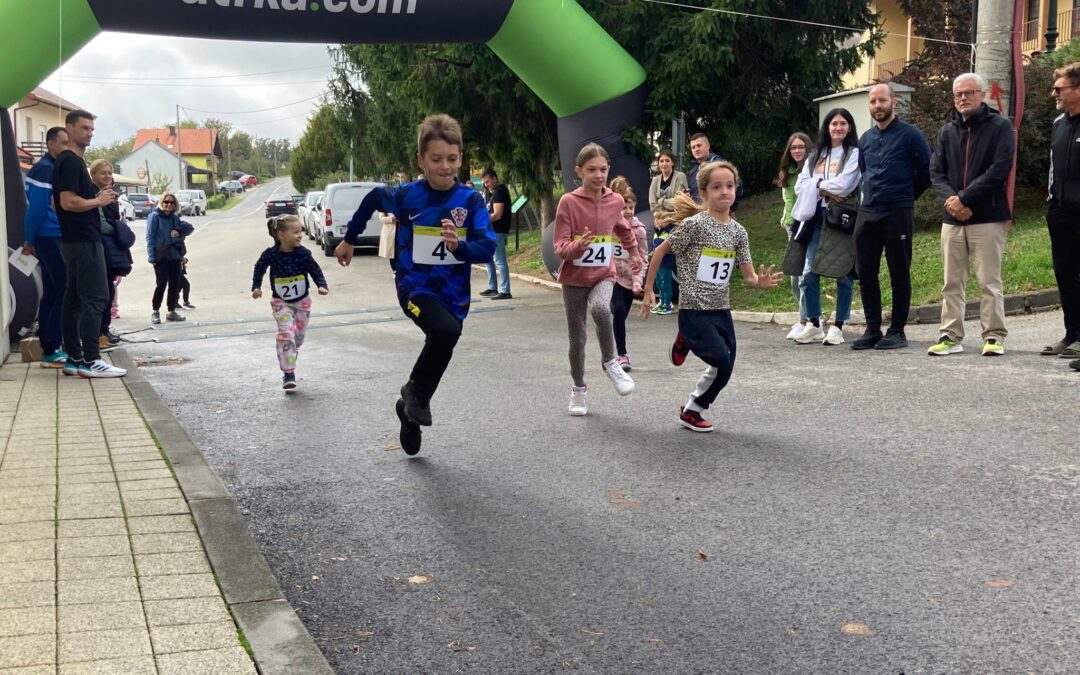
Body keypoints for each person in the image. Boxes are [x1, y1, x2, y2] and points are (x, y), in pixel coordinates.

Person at [335, 114, 495, 455]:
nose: (444, 167)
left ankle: (410, 408)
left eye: (451, 159)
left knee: (447, 334)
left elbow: (488, 247)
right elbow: (373, 198)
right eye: (436, 159)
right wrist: (350, 238)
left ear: (461, 159)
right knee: (445, 332)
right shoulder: (406, 195)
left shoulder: (470, 201)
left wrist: (459, 247)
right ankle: (416, 396)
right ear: (421, 160)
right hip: (414, 286)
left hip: (454, 293)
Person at [641, 161, 782, 431]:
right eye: (717, 187)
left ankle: (692, 407)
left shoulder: (739, 232)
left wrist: (759, 282)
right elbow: (660, 251)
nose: (725, 191)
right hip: (694, 308)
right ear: (704, 193)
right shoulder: (694, 225)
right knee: (720, 359)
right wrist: (648, 290)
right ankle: (687, 341)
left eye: (729, 186)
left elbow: (749, 275)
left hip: (720, 308)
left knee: (726, 366)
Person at [928, 72, 1015, 358]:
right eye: (958, 94)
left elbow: (1000, 168)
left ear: (981, 95)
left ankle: (994, 336)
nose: (963, 98)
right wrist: (953, 203)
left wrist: (964, 198)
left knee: (989, 281)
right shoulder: (946, 132)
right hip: (952, 219)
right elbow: (936, 173)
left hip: (987, 216)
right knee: (951, 282)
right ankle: (950, 336)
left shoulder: (1001, 126)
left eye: (969, 93)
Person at [553, 143, 643, 416]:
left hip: (604, 273)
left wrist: (634, 253)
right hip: (574, 278)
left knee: (603, 309)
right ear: (579, 171)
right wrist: (578, 247)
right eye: (592, 170)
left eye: (603, 169)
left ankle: (611, 362)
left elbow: (623, 229)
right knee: (577, 339)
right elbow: (559, 246)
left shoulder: (615, 201)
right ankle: (578, 389)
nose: (598, 175)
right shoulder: (569, 202)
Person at [852, 83, 932, 350]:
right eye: (873, 101)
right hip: (868, 212)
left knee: (899, 271)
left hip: (898, 211)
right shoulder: (865, 139)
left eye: (882, 100)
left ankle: (897, 331)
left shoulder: (911, 135)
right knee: (866, 272)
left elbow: (926, 171)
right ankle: (872, 329)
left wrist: (906, 196)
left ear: (893, 102)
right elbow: (863, 171)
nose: (877, 106)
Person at [52, 109, 126, 378]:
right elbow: (66, 202)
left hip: (73, 240)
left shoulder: (68, 162)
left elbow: (57, 203)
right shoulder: (71, 162)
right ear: (69, 128)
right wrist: (98, 201)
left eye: (92, 129)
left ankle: (74, 359)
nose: (89, 133)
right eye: (84, 128)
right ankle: (91, 360)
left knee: (73, 299)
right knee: (96, 298)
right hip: (84, 241)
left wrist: (93, 200)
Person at [793, 109, 861, 346]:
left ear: (849, 127)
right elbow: (799, 186)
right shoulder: (816, 155)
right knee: (808, 274)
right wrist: (823, 187)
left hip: (842, 218)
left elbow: (845, 185)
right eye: (834, 123)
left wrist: (816, 186)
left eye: (843, 123)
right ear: (827, 127)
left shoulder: (853, 154)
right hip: (816, 217)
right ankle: (814, 324)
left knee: (843, 273)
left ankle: (838, 326)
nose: (838, 128)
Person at [252, 215, 329, 390]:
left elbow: (315, 270)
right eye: (295, 232)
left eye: (300, 231)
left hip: (302, 302)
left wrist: (321, 285)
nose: (300, 235)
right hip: (281, 302)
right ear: (281, 235)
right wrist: (256, 287)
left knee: (297, 339)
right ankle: (288, 374)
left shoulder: (303, 254)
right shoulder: (271, 254)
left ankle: (292, 352)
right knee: (286, 334)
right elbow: (259, 268)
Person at [21, 126, 69, 368]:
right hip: (50, 236)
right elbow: (36, 209)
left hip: (50, 236)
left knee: (52, 291)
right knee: (60, 290)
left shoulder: (52, 167)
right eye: (63, 143)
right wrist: (30, 240)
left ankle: (50, 346)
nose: (67, 147)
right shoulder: (45, 169)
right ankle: (51, 348)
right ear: (50, 144)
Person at [1045, 62, 1080, 371]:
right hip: (1061, 213)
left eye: (1060, 88)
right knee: (1065, 275)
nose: (1054, 93)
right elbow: (1053, 169)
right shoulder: (1058, 124)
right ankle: (1072, 335)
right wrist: (1052, 203)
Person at [88, 159, 135, 354]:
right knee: (102, 292)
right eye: (103, 173)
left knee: (108, 290)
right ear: (93, 175)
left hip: (109, 249)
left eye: (109, 173)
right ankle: (99, 334)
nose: (107, 176)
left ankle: (104, 330)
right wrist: (119, 229)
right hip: (100, 248)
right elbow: (102, 224)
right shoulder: (95, 195)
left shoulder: (110, 194)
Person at [609, 176, 648, 371]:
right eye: (624, 207)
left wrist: (637, 282)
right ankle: (622, 355)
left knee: (621, 316)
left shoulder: (639, 231)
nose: (628, 211)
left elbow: (643, 258)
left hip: (630, 280)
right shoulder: (610, 228)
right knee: (619, 310)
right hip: (612, 277)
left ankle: (614, 346)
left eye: (631, 207)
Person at [776, 132, 812, 340]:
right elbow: (787, 199)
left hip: (806, 225)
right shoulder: (787, 172)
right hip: (791, 226)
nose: (797, 151)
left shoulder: (811, 169)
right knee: (794, 277)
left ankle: (804, 321)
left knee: (803, 277)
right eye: (793, 147)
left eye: (801, 147)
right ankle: (808, 316)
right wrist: (784, 218)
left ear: (807, 149)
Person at [146, 192, 191, 324]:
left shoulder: (175, 217)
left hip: (175, 255)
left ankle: (171, 311)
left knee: (175, 284)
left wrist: (179, 233)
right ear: (162, 202)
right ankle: (155, 311)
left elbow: (184, 232)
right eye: (166, 202)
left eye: (171, 202)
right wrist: (152, 257)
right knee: (161, 284)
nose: (169, 204)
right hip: (160, 255)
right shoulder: (154, 216)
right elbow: (150, 237)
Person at [480, 167, 513, 299]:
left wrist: (481, 220)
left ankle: (505, 290)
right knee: (488, 258)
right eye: (484, 183)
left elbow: (497, 215)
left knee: (499, 260)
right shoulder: (493, 193)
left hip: (498, 231)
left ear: (494, 178)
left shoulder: (500, 192)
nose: (486, 185)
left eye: (488, 182)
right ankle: (492, 287)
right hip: (491, 231)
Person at [686, 133, 743, 208]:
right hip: (699, 212)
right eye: (693, 147)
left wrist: (729, 209)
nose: (696, 149)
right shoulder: (693, 170)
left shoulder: (718, 165)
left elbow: (738, 186)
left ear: (708, 146)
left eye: (699, 145)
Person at [649, 149, 689, 218]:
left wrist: (661, 201)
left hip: (677, 219)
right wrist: (663, 215)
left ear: (672, 163)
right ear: (658, 164)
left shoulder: (680, 176)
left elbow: (679, 203)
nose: (664, 164)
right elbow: (652, 205)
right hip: (659, 219)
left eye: (667, 161)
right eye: (661, 161)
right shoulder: (655, 180)